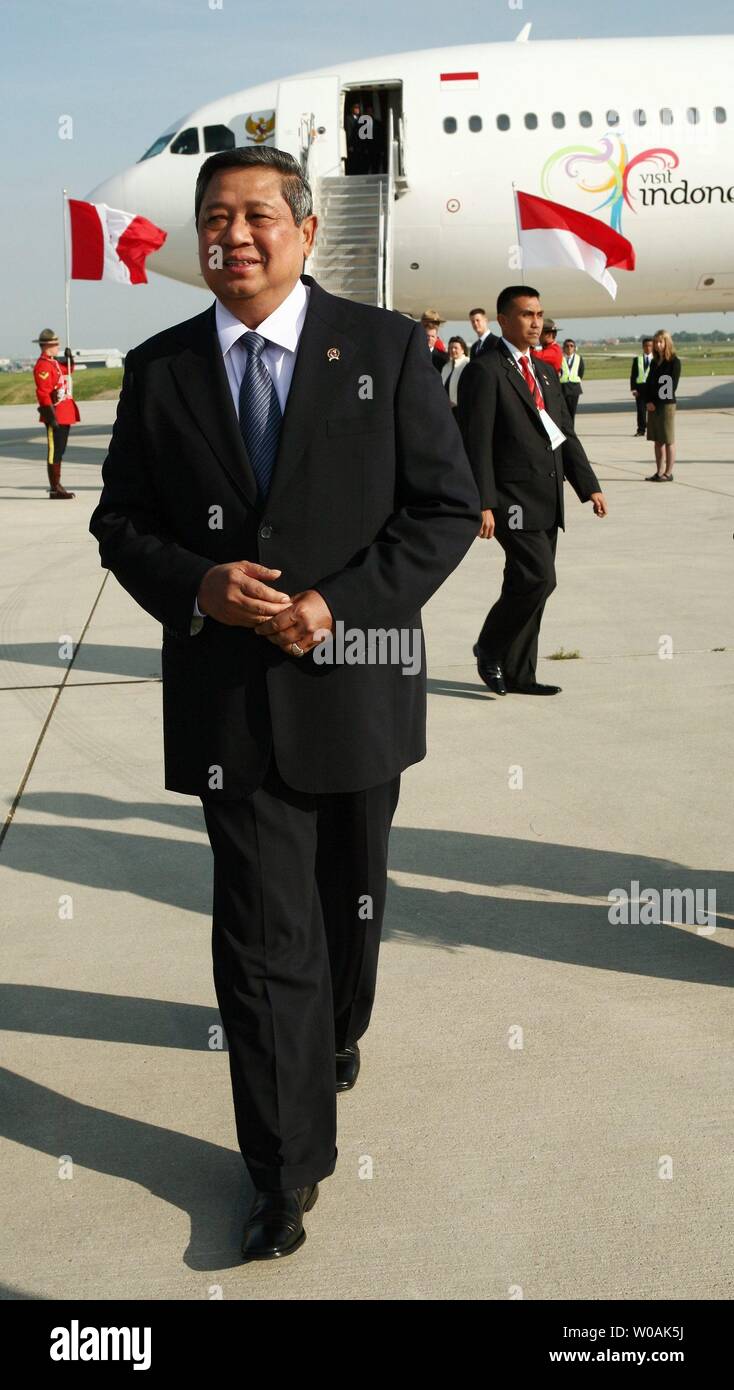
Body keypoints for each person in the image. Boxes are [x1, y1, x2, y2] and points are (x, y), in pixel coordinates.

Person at [89, 145, 480, 1263]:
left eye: (259, 214)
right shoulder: (160, 370)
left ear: (308, 232)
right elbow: (120, 522)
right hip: (229, 709)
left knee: (347, 913)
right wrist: (194, 586)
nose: (235, 234)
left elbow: (444, 510)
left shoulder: (389, 349)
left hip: (354, 688)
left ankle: (336, 1035)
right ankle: (282, 1169)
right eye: (215, 218)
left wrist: (336, 604)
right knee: (261, 947)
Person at [456, 284, 608, 697]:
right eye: (526, 314)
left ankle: (520, 672)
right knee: (539, 578)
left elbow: (564, 435)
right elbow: (477, 441)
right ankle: (489, 646)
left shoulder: (545, 371)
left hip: (547, 498)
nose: (536, 321)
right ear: (504, 320)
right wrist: (483, 502)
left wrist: (588, 485)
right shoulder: (485, 371)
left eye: (539, 314)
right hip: (509, 500)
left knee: (525, 582)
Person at [33, 327, 80, 499]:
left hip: (65, 413)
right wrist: (51, 417)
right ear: (46, 346)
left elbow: (68, 370)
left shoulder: (53, 363)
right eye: (55, 344)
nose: (57, 347)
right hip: (56, 413)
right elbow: (43, 393)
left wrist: (70, 358)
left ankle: (57, 485)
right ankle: (55, 487)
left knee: (60, 450)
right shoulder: (43, 366)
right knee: (55, 451)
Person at [644, 329, 681, 481]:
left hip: (666, 405)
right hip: (653, 405)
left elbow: (670, 386)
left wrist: (656, 402)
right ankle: (659, 471)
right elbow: (649, 384)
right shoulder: (654, 362)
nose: (658, 345)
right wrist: (648, 401)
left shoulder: (673, 362)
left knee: (668, 439)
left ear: (667, 343)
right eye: (656, 342)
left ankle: (668, 472)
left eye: (661, 342)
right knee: (657, 440)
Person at [630, 336, 654, 436]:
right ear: (643, 347)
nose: (648, 348)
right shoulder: (637, 359)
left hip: (653, 389)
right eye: (646, 346)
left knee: (653, 411)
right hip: (640, 389)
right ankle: (641, 429)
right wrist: (633, 388)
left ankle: (653, 430)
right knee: (641, 411)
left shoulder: (657, 359)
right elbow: (633, 375)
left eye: (650, 346)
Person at [559, 338, 585, 422]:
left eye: (571, 346)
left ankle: (571, 431)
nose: (569, 348)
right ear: (563, 348)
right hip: (563, 387)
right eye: (567, 346)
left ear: (574, 348)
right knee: (564, 412)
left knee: (572, 412)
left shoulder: (579, 358)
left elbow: (581, 371)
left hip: (574, 388)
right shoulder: (560, 358)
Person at [441, 336, 470, 407]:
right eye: (450, 348)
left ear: (463, 349)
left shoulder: (468, 363)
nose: (452, 350)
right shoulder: (446, 366)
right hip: (447, 407)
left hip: (461, 407)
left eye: (455, 348)